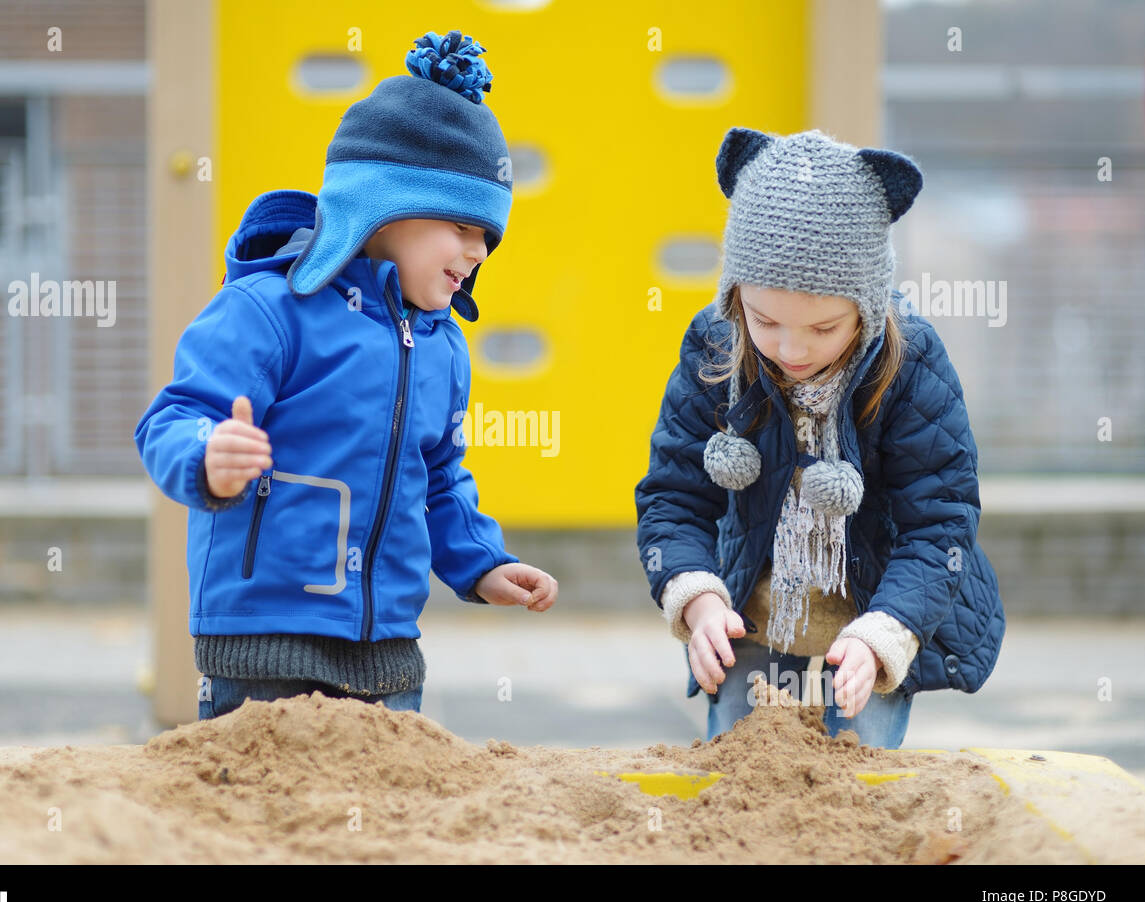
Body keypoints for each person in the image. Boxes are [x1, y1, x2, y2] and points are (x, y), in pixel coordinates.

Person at [134, 30, 557, 721]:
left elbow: (441, 477)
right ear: (380, 206)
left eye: (488, 236)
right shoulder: (270, 310)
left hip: (388, 645)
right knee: (265, 814)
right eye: (460, 225)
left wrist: (481, 563)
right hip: (265, 640)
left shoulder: (444, 344)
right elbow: (172, 419)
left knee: (386, 816)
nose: (476, 251)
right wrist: (209, 458)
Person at [634, 126, 1005, 748]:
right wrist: (695, 597)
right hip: (750, 615)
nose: (791, 348)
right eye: (766, 321)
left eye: (824, 327)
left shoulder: (911, 363)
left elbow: (939, 520)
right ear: (735, 300)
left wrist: (887, 630)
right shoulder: (714, 347)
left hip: (870, 615)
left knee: (857, 774)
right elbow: (673, 495)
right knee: (737, 768)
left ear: (865, 305)